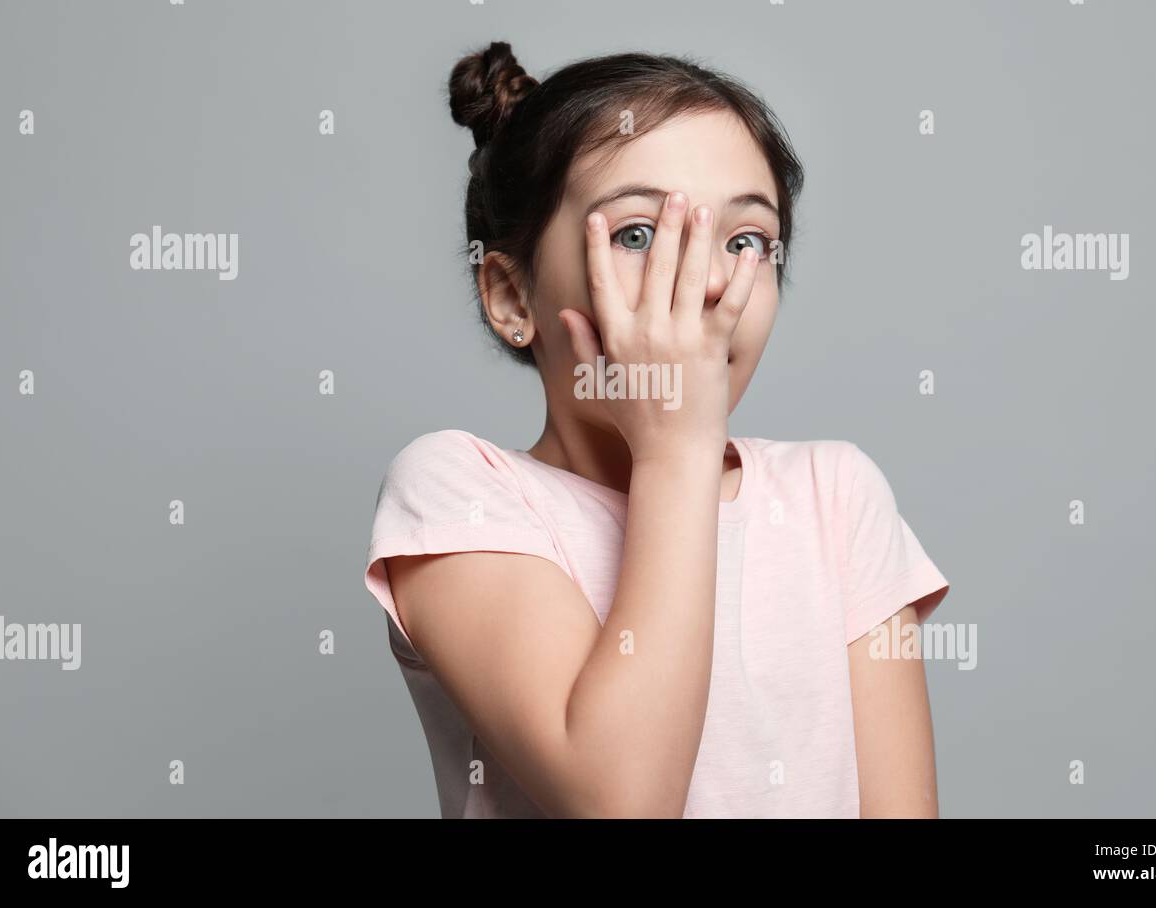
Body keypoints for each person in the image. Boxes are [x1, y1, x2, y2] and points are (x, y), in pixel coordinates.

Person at [362, 41, 951, 818]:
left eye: (746, 241)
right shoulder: (457, 493)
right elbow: (622, 801)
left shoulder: (838, 498)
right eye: (638, 234)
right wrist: (676, 449)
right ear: (511, 296)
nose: (709, 281)